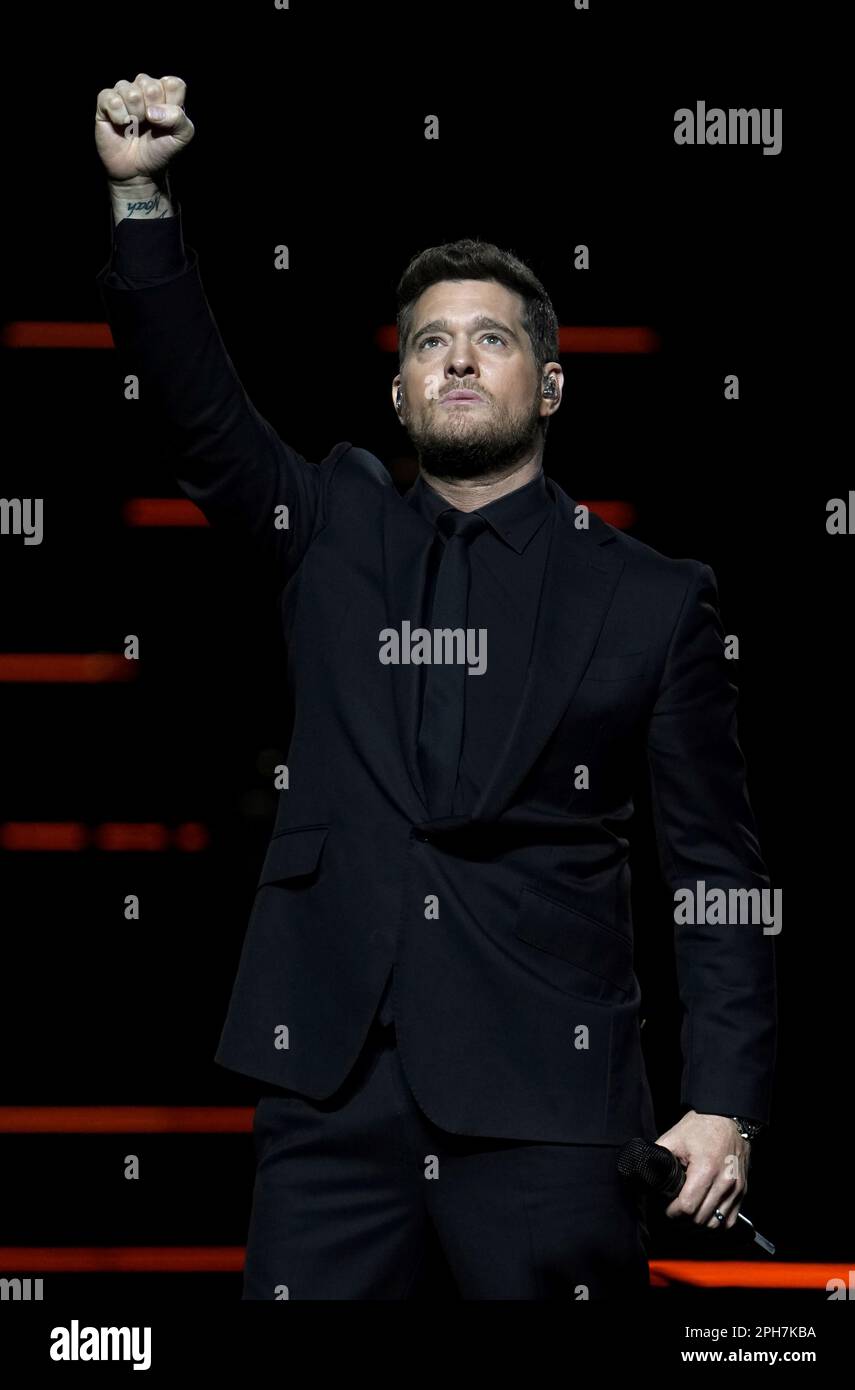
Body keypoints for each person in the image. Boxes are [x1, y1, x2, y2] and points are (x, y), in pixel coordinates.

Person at [94, 73, 777, 1301]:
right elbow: (197, 412)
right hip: (331, 1095)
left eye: (493, 338)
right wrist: (142, 196)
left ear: (549, 385)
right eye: (429, 342)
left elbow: (717, 872)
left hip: (548, 1111)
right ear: (399, 391)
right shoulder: (331, 524)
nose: (457, 359)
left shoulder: (653, 598)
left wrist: (723, 1099)